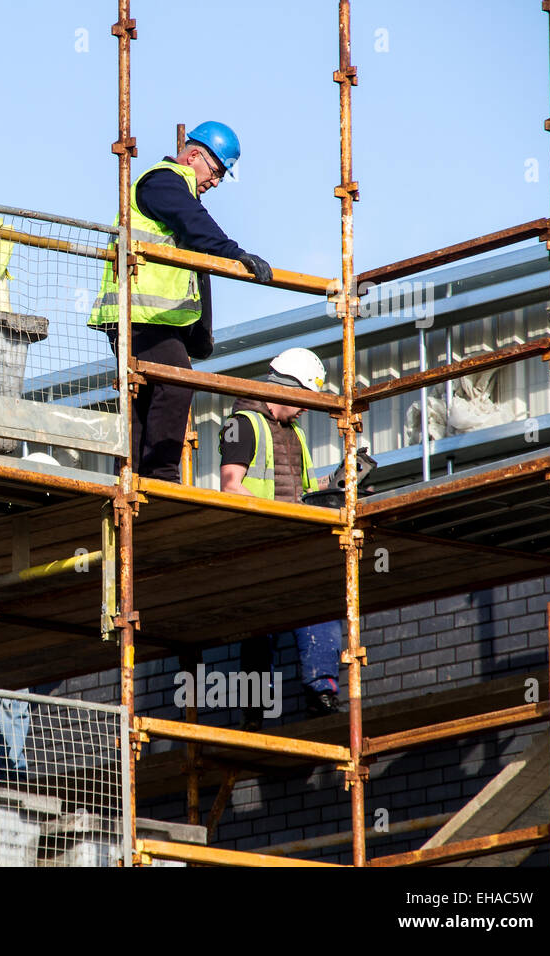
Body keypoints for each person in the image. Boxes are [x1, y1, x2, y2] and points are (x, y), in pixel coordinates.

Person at [90, 121, 274, 482]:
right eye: (217, 171)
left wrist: (197, 335)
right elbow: (194, 224)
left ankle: (131, 475)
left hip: (151, 316)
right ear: (193, 156)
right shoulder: (162, 182)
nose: (217, 182)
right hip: (140, 313)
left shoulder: (175, 190)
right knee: (176, 381)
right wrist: (237, 254)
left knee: (143, 394)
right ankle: (162, 475)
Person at [217, 347, 344, 720]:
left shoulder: (294, 434)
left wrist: (335, 481)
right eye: (303, 398)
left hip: (291, 539)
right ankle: (254, 711)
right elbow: (230, 487)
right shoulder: (243, 424)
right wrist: (278, 516)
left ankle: (321, 693)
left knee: (317, 605)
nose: (306, 408)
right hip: (256, 540)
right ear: (284, 387)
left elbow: (301, 491)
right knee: (259, 628)